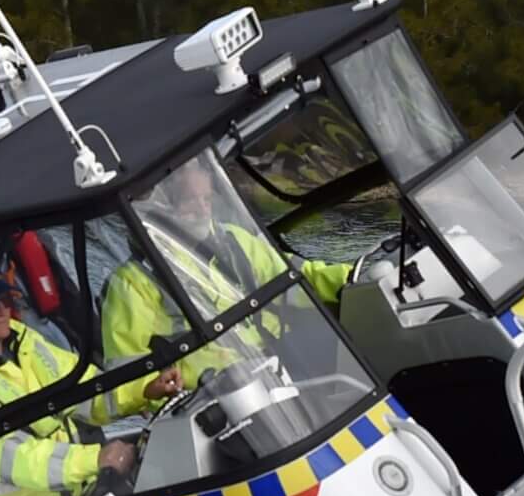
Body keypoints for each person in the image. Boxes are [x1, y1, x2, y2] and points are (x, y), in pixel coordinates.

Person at [0, 262, 180, 496]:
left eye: (6, 299)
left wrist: (144, 391)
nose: (3, 311)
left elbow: (84, 390)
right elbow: (17, 457)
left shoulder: (21, 340)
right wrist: (96, 460)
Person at [100, 153, 351, 384]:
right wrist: (158, 390)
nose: (202, 209)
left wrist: (351, 278)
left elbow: (298, 278)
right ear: (164, 209)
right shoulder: (133, 282)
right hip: (216, 391)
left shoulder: (235, 240)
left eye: (207, 198)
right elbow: (128, 372)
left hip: (281, 359)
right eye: (190, 200)